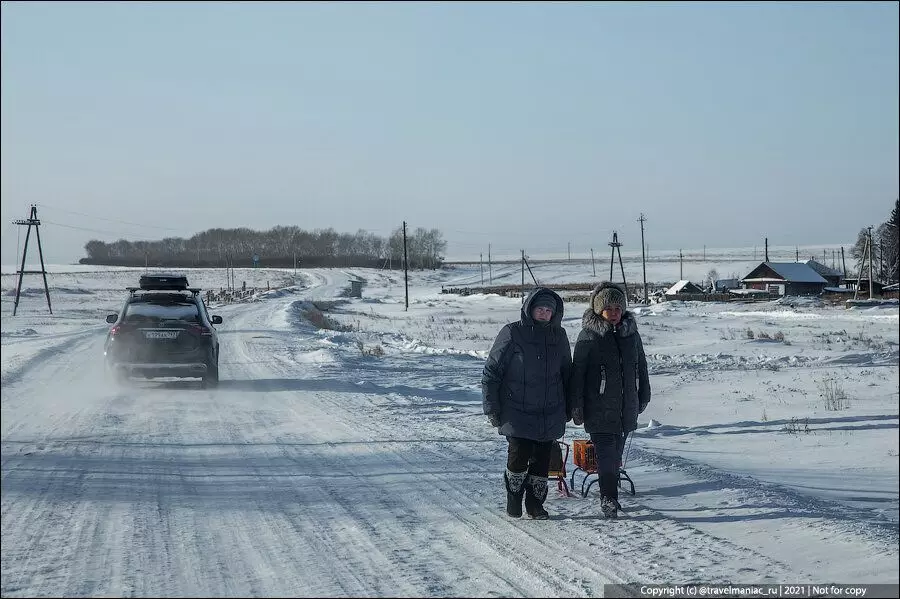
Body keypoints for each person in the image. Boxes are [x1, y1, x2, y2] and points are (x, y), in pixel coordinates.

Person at [482, 287, 572, 520]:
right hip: (516, 410)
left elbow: (567, 373)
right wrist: (491, 406)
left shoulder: (559, 336)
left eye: (548, 310)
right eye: (539, 309)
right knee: (519, 457)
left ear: (554, 313)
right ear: (530, 309)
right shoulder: (512, 333)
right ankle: (514, 498)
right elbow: (492, 371)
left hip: (549, 410)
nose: (543, 313)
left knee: (542, 462)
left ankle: (535, 506)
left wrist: (571, 405)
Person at [569, 282, 650, 519]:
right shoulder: (589, 337)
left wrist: (643, 394)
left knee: (616, 455)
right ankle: (609, 499)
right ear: (598, 310)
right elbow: (577, 374)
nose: (614, 312)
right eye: (608, 308)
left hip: (626, 408)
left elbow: (641, 367)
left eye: (618, 307)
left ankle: (609, 490)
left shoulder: (631, 335)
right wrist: (577, 405)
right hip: (598, 408)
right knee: (607, 455)